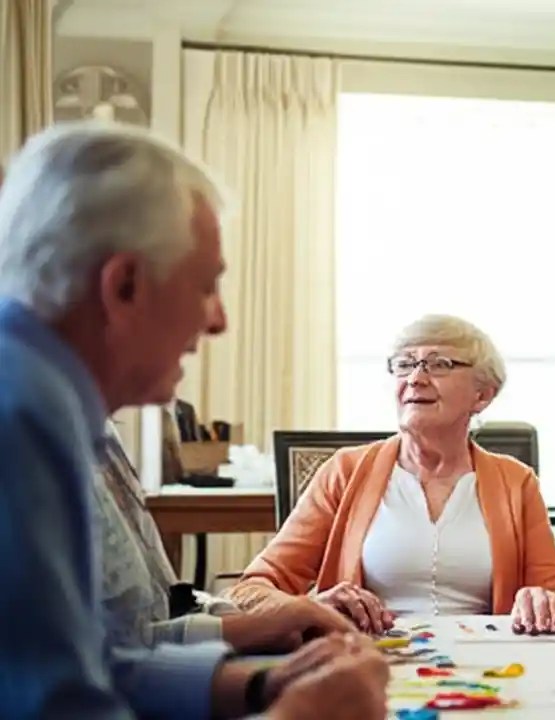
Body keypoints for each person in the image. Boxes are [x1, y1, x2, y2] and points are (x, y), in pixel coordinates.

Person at [0, 121, 387, 719]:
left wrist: (262, 688)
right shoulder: (20, 418)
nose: (219, 321)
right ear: (124, 285)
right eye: (207, 286)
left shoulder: (57, 403)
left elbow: (97, 661)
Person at [225, 314, 555, 634]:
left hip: (490, 666)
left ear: (482, 395)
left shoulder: (515, 481)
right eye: (404, 364)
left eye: (439, 364)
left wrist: (545, 600)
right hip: (369, 663)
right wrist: (308, 609)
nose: (416, 378)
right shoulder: (345, 471)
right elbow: (253, 588)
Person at [95, 417, 359, 652]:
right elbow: (122, 647)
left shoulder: (102, 437)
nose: (188, 358)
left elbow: (152, 620)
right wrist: (282, 619)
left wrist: (270, 622)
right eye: (400, 364)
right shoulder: (346, 470)